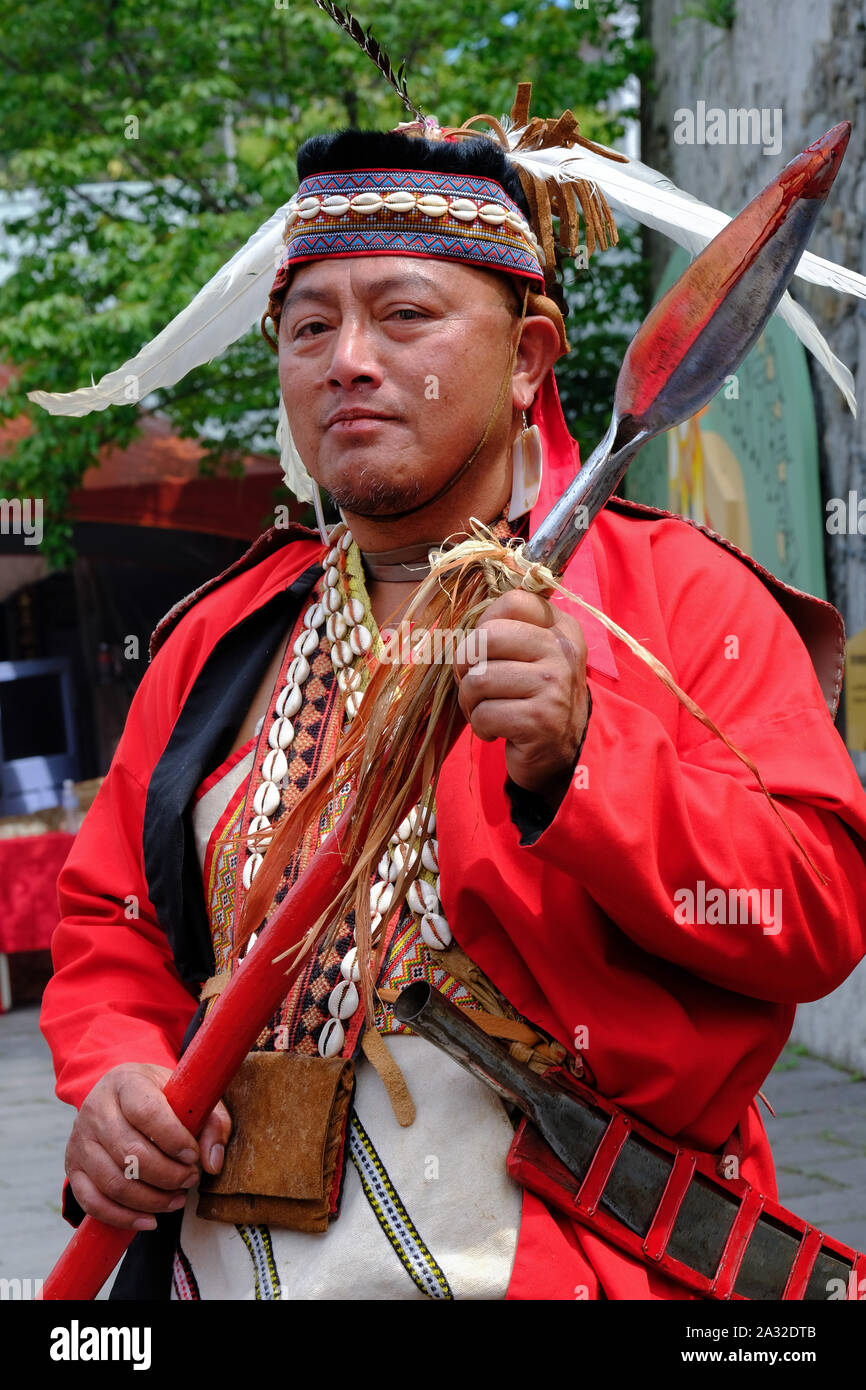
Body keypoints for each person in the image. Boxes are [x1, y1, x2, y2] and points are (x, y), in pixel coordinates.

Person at [39, 105, 866, 1301]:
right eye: (308, 327)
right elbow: (109, 917)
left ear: (529, 354)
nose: (347, 361)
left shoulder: (677, 600)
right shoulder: (221, 636)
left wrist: (588, 756)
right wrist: (116, 1072)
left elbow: (817, 909)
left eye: (404, 315)